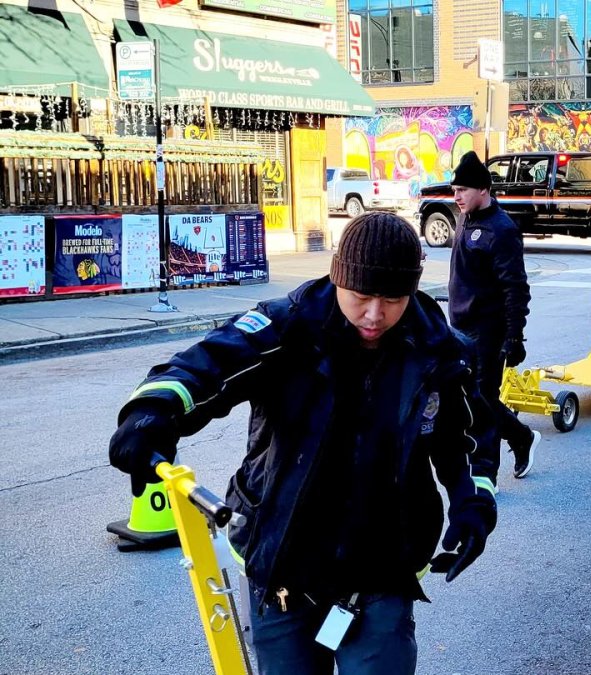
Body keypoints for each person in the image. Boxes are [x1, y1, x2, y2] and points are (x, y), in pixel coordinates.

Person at [108, 213, 498, 675]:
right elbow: (204, 366)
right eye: (362, 296)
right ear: (338, 277)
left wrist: (474, 504)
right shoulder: (286, 327)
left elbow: (468, 437)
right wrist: (152, 412)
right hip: (283, 563)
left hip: (383, 569)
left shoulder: (441, 350)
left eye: (393, 299)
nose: (375, 314)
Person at [447, 151, 541, 479]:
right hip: (459, 327)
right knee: (468, 399)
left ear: (483, 190)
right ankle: (522, 436)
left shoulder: (502, 230)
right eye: (454, 189)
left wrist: (515, 336)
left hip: (488, 331)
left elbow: (516, 288)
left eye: (463, 190)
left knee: (482, 402)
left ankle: (484, 475)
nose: (456, 196)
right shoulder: (465, 219)